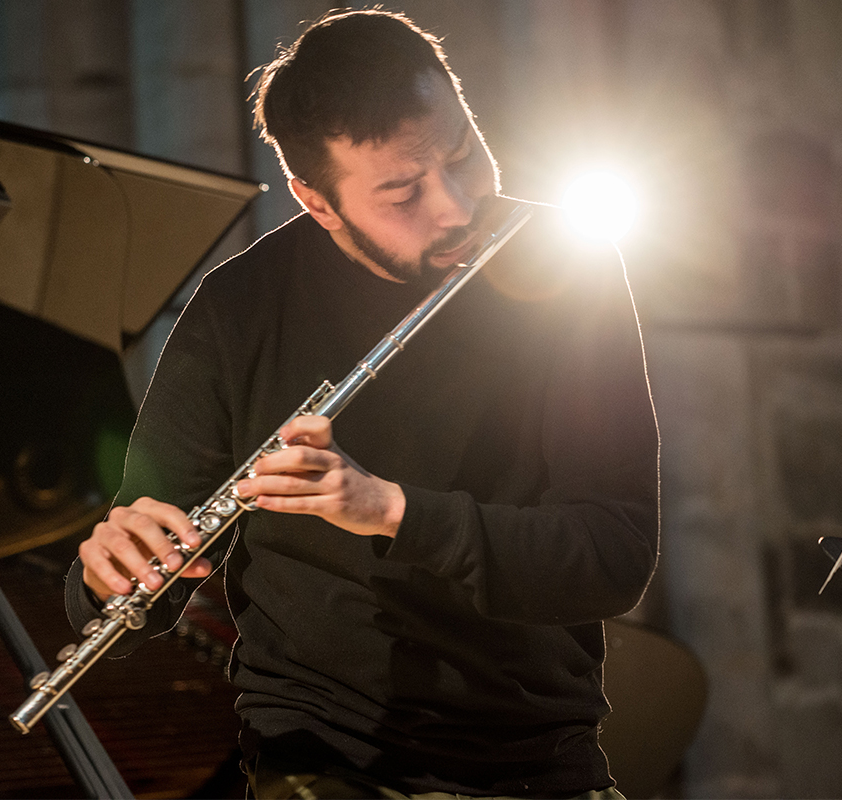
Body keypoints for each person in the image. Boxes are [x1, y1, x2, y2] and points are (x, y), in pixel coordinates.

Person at [65, 9, 659, 799]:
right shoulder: (240, 308)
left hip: (536, 759)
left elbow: (614, 558)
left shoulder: (569, 268)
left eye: (462, 154)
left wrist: (390, 510)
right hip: (319, 755)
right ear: (317, 202)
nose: (454, 207)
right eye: (403, 192)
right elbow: (138, 571)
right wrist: (108, 575)